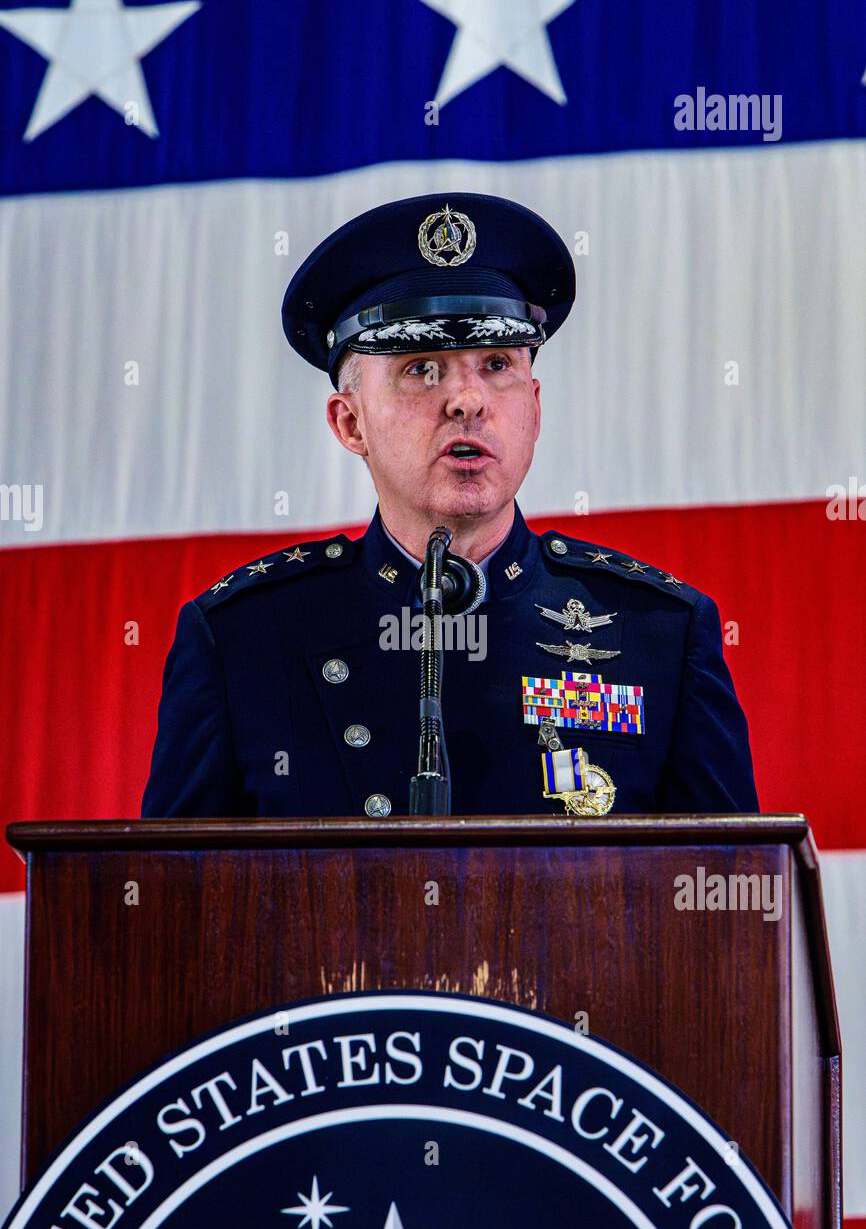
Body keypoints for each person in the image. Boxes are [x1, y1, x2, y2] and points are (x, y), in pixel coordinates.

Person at [142, 192, 757, 819]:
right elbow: (170, 903)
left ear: (534, 408)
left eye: (496, 364)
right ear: (350, 422)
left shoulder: (658, 634)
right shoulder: (243, 638)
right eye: (421, 369)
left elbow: (730, 895)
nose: (467, 400)